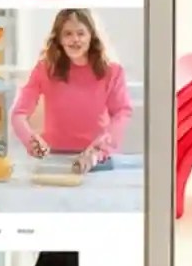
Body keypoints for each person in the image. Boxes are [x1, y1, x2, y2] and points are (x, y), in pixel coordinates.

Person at [8, 9, 133, 169]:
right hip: (54, 157)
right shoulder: (45, 69)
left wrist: (99, 149)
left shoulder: (113, 72)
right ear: (59, 39)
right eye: (68, 34)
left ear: (91, 37)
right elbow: (19, 113)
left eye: (81, 33)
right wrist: (31, 141)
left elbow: (122, 112)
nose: (75, 39)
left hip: (97, 159)